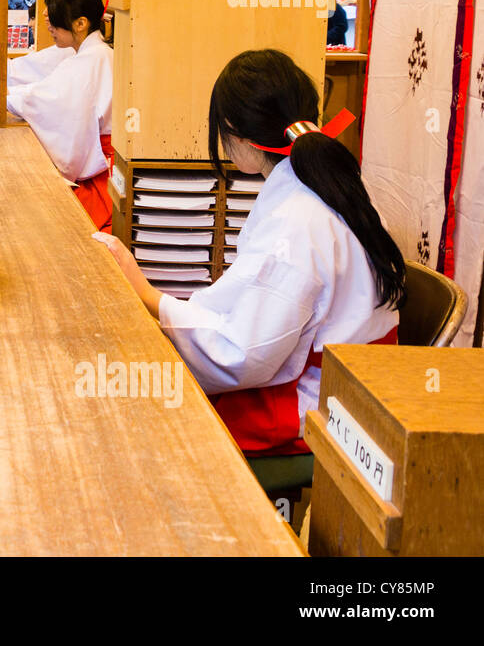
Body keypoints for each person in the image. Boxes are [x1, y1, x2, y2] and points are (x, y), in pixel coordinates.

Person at [98, 49, 404, 457]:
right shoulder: (332, 183)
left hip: (320, 403)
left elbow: (241, 355)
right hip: (353, 379)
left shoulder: (296, 219)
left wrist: (147, 294)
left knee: (154, 416)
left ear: (236, 134)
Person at [0, 0, 114, 231]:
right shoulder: (86, 52)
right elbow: (37, 85)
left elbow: (45, 100)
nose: (47, 22)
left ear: (80, 23)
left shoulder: (92, 59)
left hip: (100, 174)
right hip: (99, 160)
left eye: (54, 18)